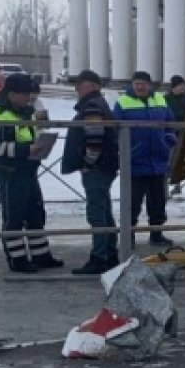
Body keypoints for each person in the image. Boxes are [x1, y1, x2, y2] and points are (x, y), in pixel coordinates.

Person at [0, 72, 63, 272]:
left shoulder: (26, 111)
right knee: (14, 217)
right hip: (10, 171)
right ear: (12, 94)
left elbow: (38, 131)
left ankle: (40, 255)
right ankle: (17, 259)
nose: (29, 97)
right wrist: (28, 149)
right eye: (25, 94)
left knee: (35, 213)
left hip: (28, 168)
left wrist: (42, 132)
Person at [61, 70, 119, 275]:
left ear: (93, 86)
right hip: (105, 165)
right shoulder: (98, 104)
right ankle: (110, 254)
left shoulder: (92, 106)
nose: (77, 89)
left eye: (81, 85)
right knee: (103, 209)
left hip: (97, 167)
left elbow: (95, 138)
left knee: (97, 212)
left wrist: (88, 162)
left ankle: (100, 257)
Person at [112, 70, 177, 247]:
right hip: (134, 161)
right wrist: (123, 148)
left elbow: (170, 124)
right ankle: (129, 236)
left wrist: (169, 140)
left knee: (158, 201)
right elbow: (113, 129)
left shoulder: (160, 100)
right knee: (132, 202)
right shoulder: (123, 102)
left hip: (157, 160)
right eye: (136, 83)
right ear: (132, 85)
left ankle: (156, 234)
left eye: (143, 83)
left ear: (149, 85)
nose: (140, 87)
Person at [164, 75, 185, 195]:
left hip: (184, 133)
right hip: (169, 133)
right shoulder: (165, 99)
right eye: (180, 85)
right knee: (169, 159)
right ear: (174, 87)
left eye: (183, 85)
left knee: (181, 160)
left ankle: (177, 184)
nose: (183, 88)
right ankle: (167, 183)